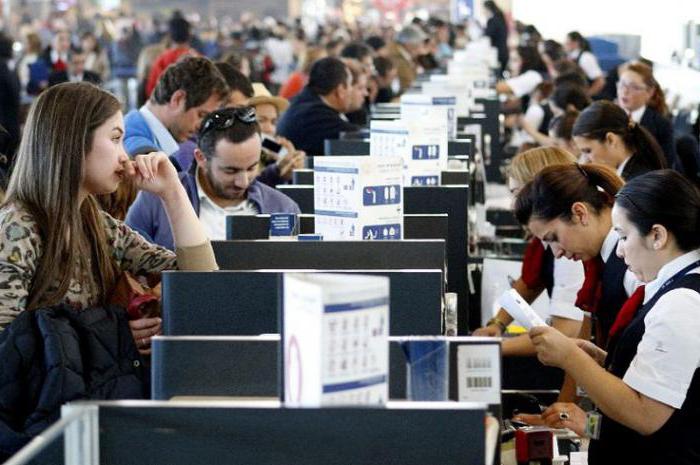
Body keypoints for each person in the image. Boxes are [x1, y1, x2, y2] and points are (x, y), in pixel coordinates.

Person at [0, 81, 217, 339]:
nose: (125, 156)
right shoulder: (17, 228)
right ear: (73, 142)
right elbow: (8, 344)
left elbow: (201, 283)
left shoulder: (100, 226)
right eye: (115, 139)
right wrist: (111, 337)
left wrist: (173, 192)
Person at [528, 170, 700, 465]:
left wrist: (571, 357)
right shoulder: (672, 288)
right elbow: (663, 383)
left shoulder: (681, 303)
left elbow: (646, 414)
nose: (619, 251)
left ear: (657, 235)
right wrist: (602, 359)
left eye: (623, 235)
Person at [126, 107, 301, 249]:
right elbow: (128, 265)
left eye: (251, 168)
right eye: (230, 171)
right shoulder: (158, 199)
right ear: (201, 158)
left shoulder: (283, 208)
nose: (243, 181)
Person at [474, 147, 584, 364]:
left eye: (516, 193)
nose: (513, 205)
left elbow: (566, 334)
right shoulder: (547, 237)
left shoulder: (568, 246)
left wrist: (495, 347)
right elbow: (532, 281)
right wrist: (498, 323)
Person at [513, 163, 638, 351]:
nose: (557, 253)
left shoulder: (632, 265)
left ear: (579, 213)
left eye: (553, 238)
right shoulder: (604, 261)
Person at [123, 56, 229, 160]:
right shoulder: (140, 153)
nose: (202, 126)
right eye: (201, 115)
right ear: (177, 99)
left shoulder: (136, 127)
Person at [277, 57, 358, 155]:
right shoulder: (314, 115)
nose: (352, 90)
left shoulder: (305, 99)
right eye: (350, 85)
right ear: (340, 90)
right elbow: (356, 137)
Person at [573, 101, 666, 180]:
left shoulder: (637, 183)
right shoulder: (632, 171)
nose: (585, 162)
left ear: (611, 139)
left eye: (588, 151)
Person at [616, 61, 677, 169]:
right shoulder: (608, 116)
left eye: (633, 87)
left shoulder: (661, 125)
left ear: (650, 92)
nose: (624, 91)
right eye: (622, 84)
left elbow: (665, 165)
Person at [248, 83, 306, 187]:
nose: (270, 128)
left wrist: (292, 169)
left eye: (273, 122)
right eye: (261, 120)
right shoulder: (238, 157)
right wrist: (277, 170)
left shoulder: (271, 155)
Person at [145, 16, 196, 98]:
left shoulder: (161, 60)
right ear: (189, 35)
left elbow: (151, 90)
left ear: (169, 35)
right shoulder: (199, 58)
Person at [387, 25, 426, 95]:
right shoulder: (396, 57)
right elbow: (408, 83)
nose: (420, 49)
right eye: (418, 44)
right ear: (408, 44)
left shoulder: (404, 55)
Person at [564, 31, 604, 97]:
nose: (564, 44)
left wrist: (586, 96)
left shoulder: (586, 57)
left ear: (576, 43)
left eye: (567, 42)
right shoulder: (570, 57)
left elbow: (600, 81)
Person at [483, 0, 509, 75]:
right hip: (503, 52)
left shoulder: (493, 20)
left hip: (498, 54)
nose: (483, 12)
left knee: (497, 76)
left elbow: (487, 34)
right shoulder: (500, 18)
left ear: (488, 8)